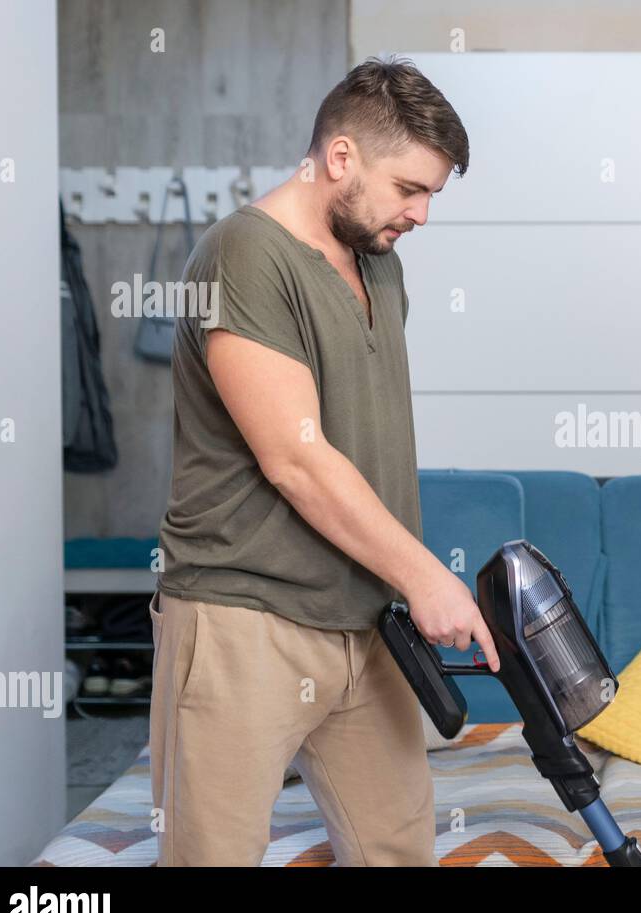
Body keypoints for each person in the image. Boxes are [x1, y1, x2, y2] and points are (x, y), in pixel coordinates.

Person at [148, 56, 498, 867]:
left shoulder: (379, 260)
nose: (421, 213)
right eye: (410, 188)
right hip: (246, 620)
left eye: (433, 195)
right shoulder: (244, 256)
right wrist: (426, 577)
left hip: (367, 624)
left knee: (399, 853)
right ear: (340, 159)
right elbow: (296, 462)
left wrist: (400, 585)